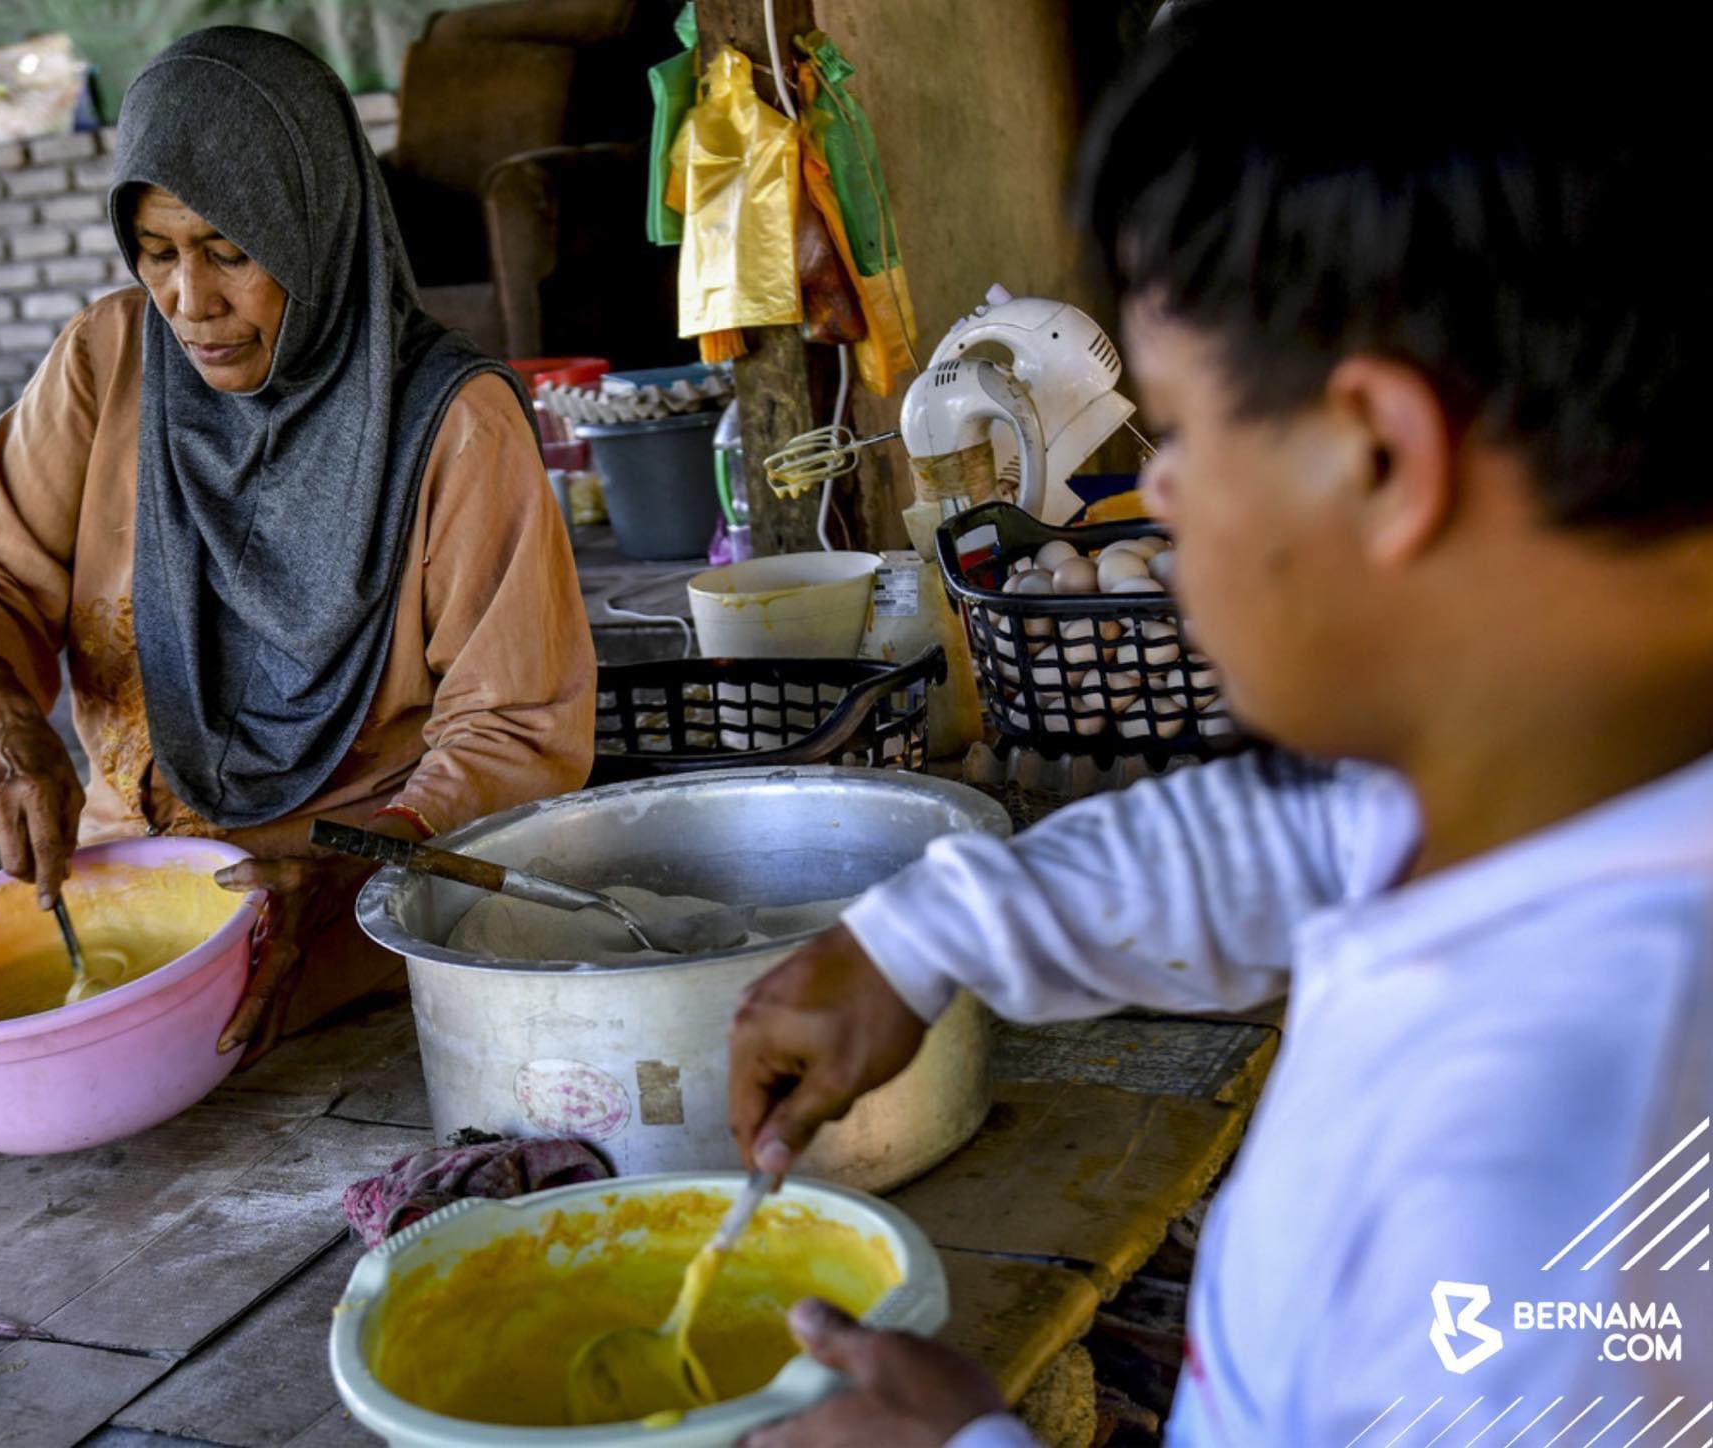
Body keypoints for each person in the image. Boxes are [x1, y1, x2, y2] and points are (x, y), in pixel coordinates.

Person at [729, 3, 1710, 1443]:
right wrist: (918, 937)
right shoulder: (1547, 779)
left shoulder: (1551, 1193)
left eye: (1181, 433)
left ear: (1380, 454)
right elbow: (1286, 843)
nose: (1163, 495)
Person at [0, 27, 594, 1175]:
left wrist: (355, 868)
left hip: (331, 917)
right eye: (155, 251)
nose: (187, 299)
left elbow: (513, 733)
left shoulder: (454, 426)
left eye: (227, 249)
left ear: (316, 227)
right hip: (125, 898)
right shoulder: (106, 362)